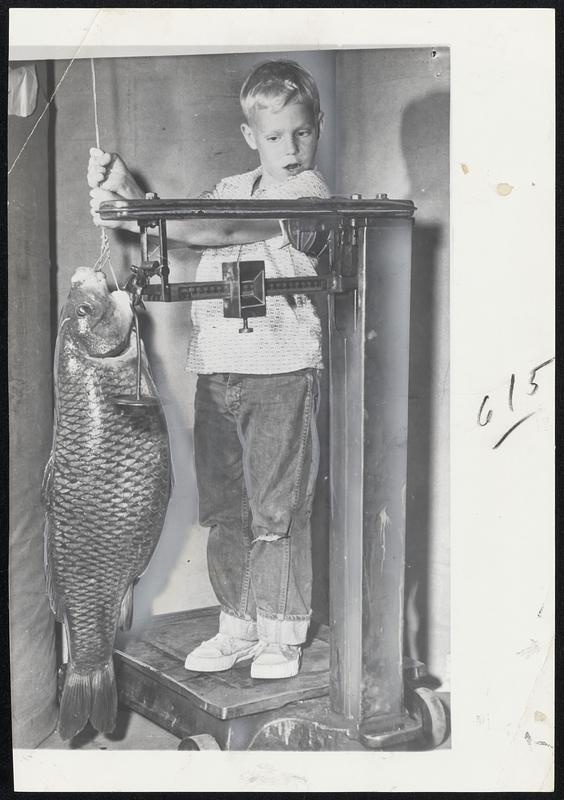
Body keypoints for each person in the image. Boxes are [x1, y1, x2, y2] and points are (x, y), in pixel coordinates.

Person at [88, 59, 330, 679]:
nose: (291, 148)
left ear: (317, 129)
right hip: (218, 370)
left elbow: (218, 232)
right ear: (252, 136)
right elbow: (178, 236)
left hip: (280, 372)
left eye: (301, 133)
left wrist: (138, 204)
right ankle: (239, 624)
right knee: (226, 507)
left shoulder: (308, 195)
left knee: (278, 509)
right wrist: (117, 195)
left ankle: (282, 633)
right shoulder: (228, 188)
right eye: (275, 137)